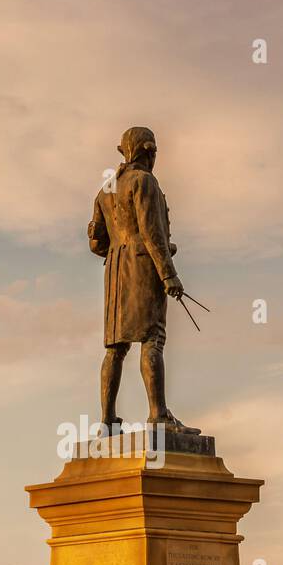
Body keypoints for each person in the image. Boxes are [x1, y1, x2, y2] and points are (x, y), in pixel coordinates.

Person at [88, 125, 200, 434]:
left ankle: (107, 422)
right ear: (147, 151)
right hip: (142, 270)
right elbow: (152, 234)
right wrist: (169, 273)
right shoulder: (145, 182)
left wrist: (120, 249)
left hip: (114, 273)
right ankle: (158, 415)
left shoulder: (106, 190)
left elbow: (97, 243)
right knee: (153, 338)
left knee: (115, 348)